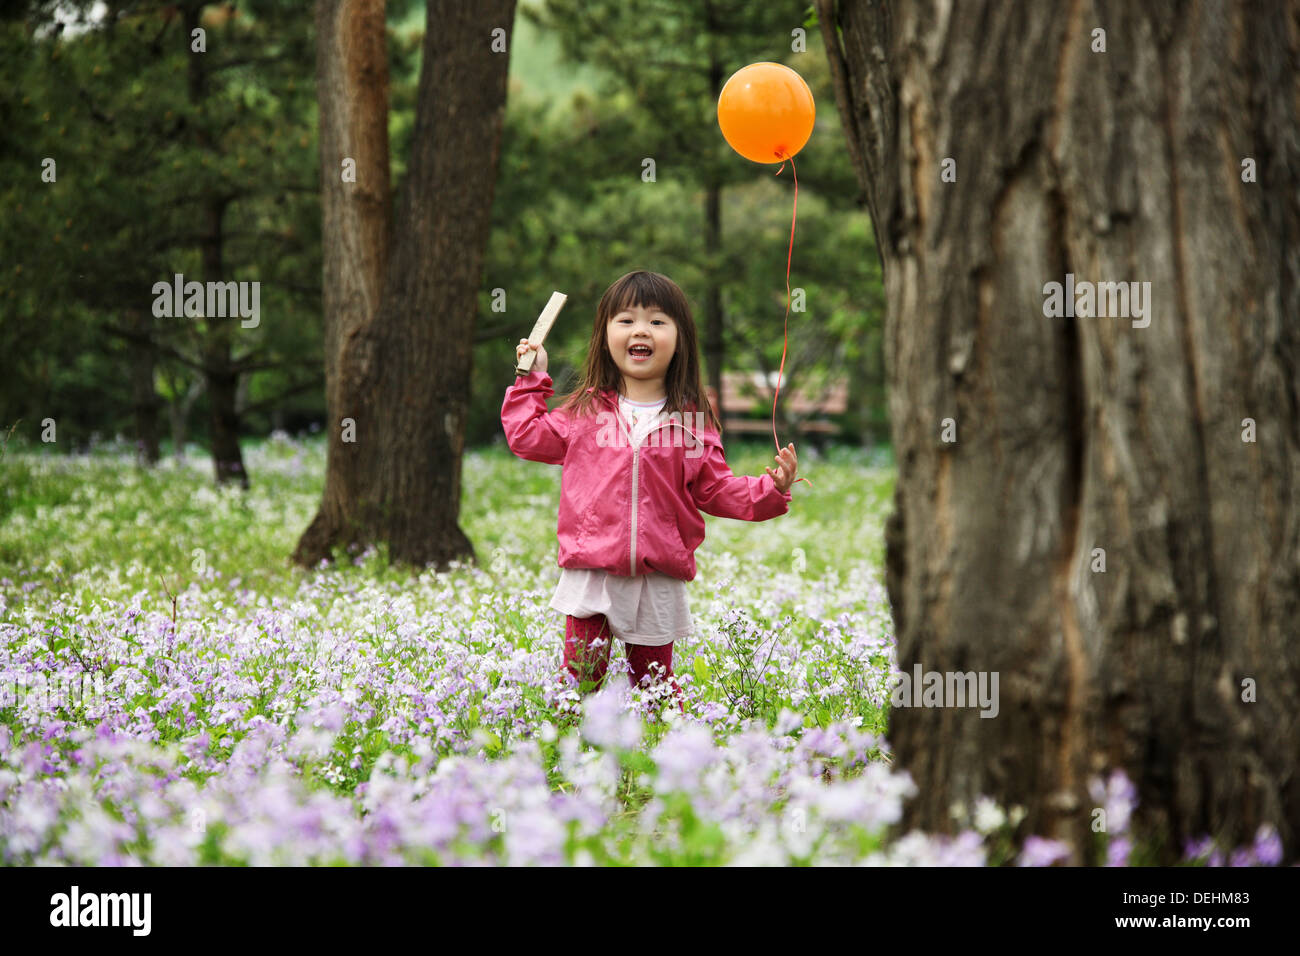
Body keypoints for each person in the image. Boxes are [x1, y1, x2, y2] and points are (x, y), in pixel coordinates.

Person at [501, 270, 798, 716]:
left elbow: (715, 488)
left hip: (657, 572)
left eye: (658, 321)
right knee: (580, 681)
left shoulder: (691, 418)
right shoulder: (585, 409)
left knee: (654, 687)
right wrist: (530, 381)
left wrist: (769, 490)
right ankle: (568, 760)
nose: (641, 330)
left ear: (680, 340)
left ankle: (666, 761)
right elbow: (527, 437)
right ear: (604, 337)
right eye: (626, 320)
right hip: (592, 569)